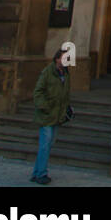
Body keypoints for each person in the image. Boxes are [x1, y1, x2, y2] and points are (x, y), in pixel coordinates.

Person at [31, 48, 72, 184]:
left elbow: (64, 95)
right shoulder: (47, 72)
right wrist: (45, 107)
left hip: (57, 116)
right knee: (45, 145)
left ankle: (36, 172)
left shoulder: (65, 74)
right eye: (64, 58)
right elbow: (38, 92)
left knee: (47, 145)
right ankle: (41, 174)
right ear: (57, 59)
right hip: (47, 115)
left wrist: (66, 109)